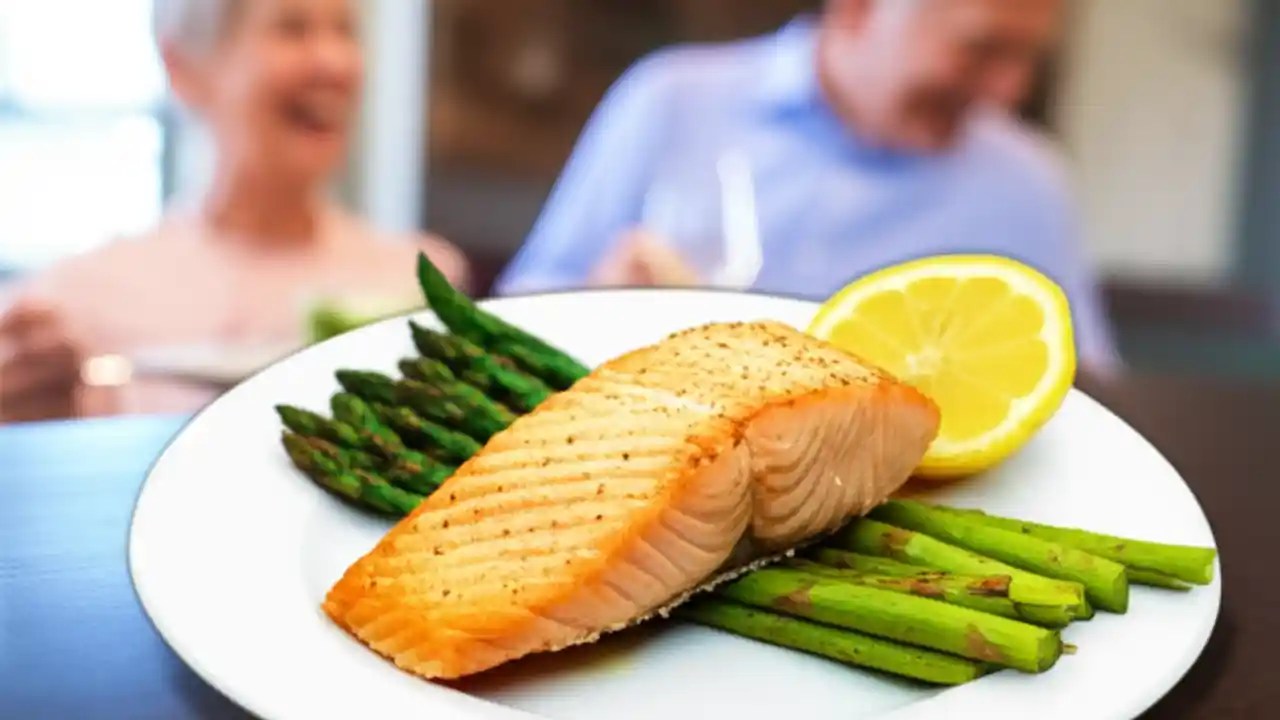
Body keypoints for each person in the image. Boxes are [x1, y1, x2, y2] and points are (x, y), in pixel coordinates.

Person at [495, 0, 1119, 372]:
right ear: (859, 9)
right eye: (980, 50)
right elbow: (521, 308)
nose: (1009, 90)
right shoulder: (671, 101)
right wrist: (600, 300)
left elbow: (1083, 382)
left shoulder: (1028, 179)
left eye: (1028, 57)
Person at [0, 0, 468, 422]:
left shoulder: (426, 278)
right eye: (292, 28)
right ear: (182, 66)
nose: (335, 62)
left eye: (346, 31)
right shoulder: (77, 299)